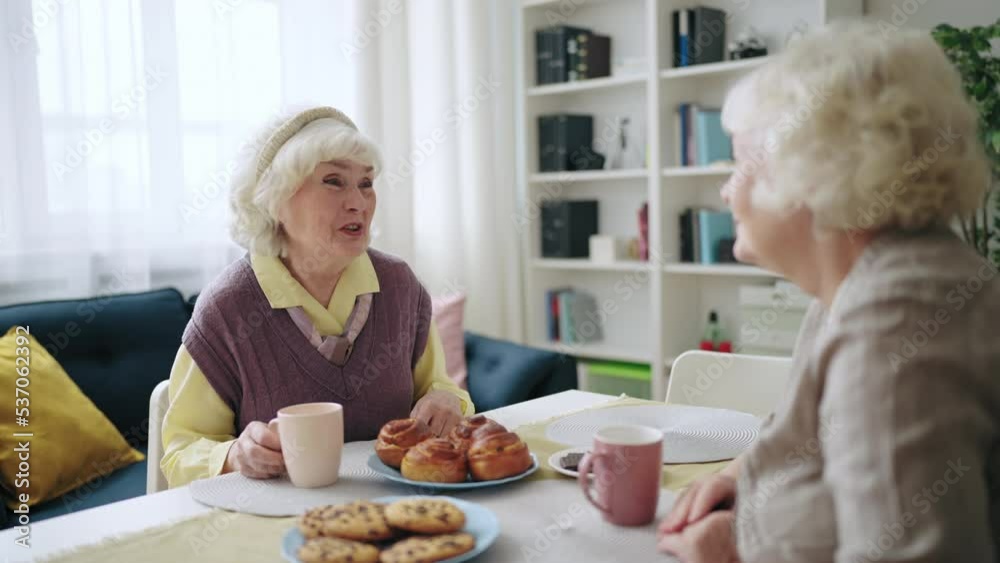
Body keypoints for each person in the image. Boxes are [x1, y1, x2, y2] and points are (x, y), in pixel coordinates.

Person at [657, 21, 1000, 563]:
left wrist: (732, 555)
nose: (727, 188)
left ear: (817, 173)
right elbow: (811, 436)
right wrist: (737, 474)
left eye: (742, 161)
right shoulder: (859, 283)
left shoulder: (898, 320)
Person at [161, 106, 473, 488]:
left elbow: (441, 389)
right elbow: (181, 450)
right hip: (277, 528)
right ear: (276, 200)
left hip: (397, 511)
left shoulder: (399, 286)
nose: (358, 201)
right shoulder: (228, 308)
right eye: (333, 181)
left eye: (366, 183)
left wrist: (447, 401)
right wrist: (233, 455)